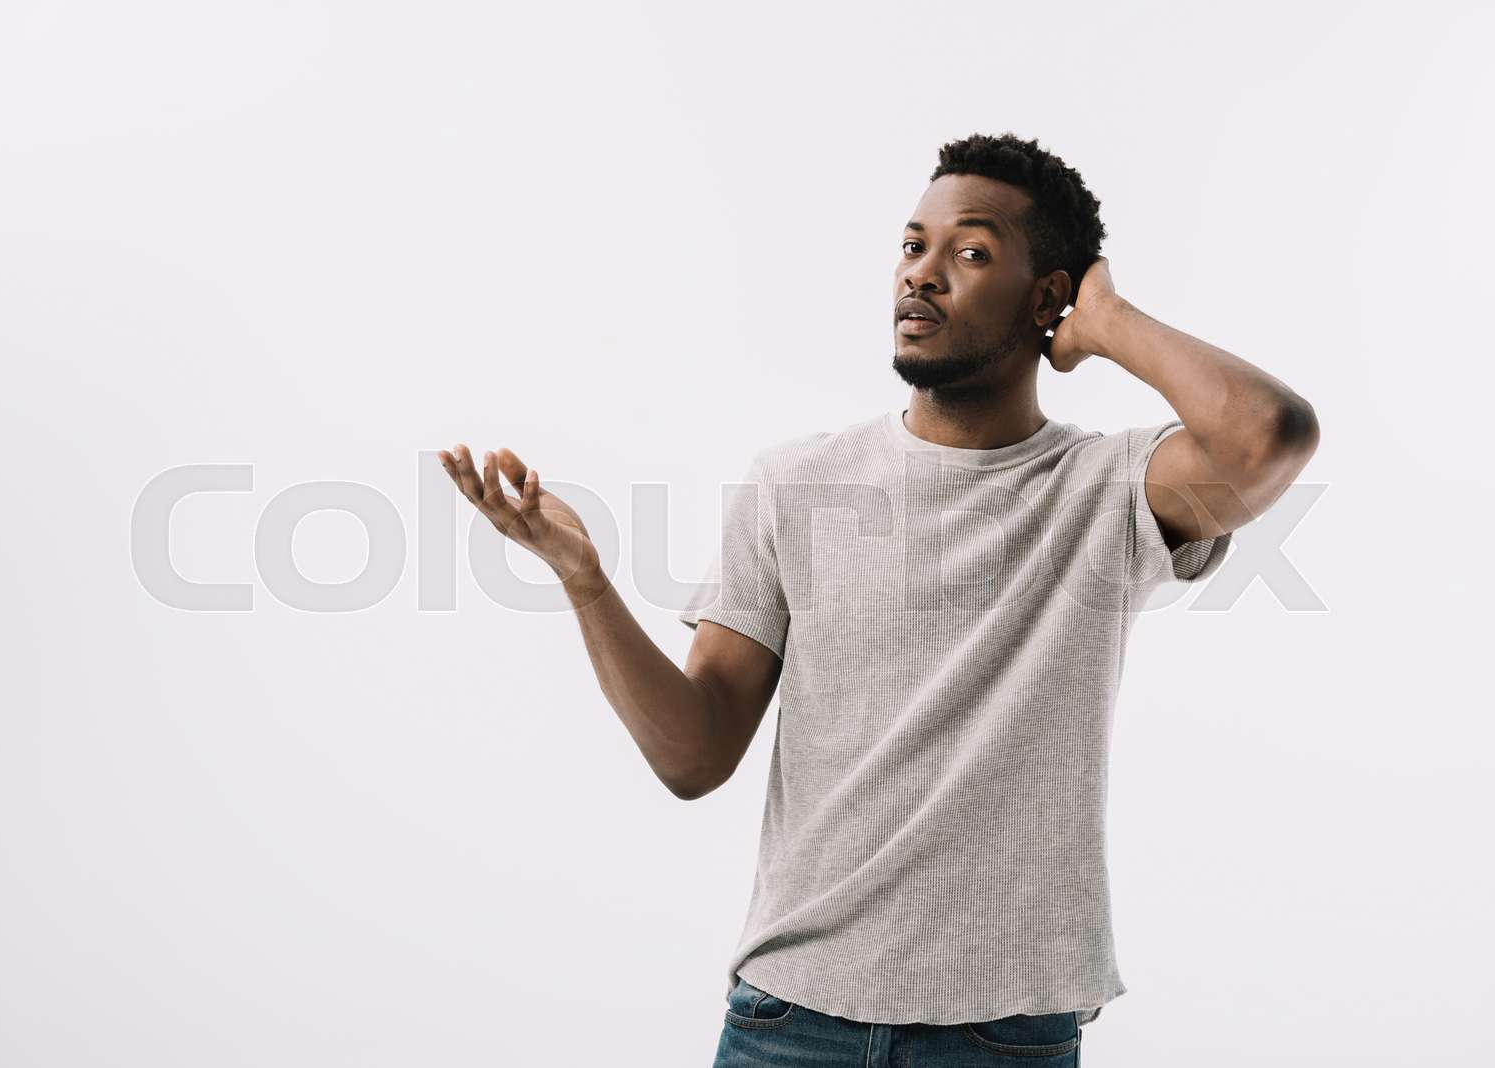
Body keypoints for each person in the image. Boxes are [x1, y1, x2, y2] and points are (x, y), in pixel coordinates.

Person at [437, 131, 1319, 1066]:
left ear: (1047, 295)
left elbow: (1267, 435)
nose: (923, 276)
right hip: (790, 1023)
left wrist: (1104, 322)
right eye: (912, 246)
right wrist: (586, 580)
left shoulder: (1107, 493)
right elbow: (693, 754)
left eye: (971, 253)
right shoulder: (795, 486)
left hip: (1001, 1038)